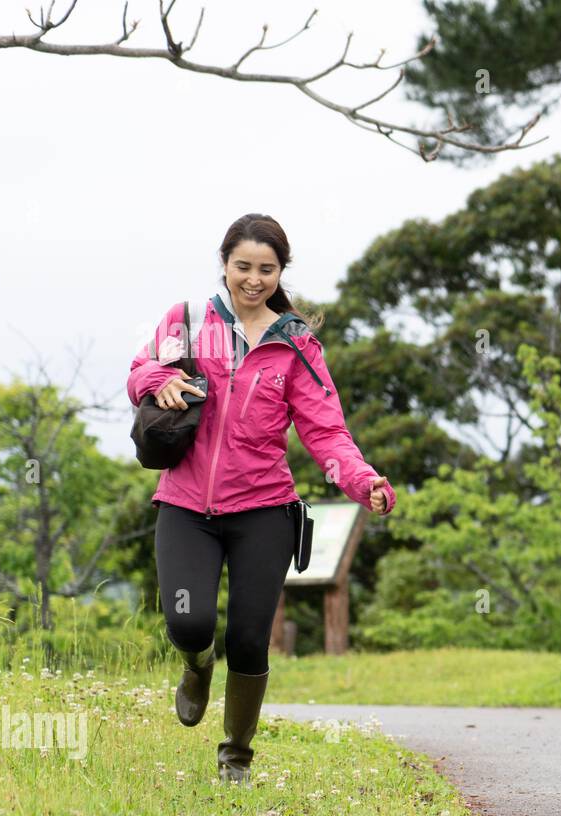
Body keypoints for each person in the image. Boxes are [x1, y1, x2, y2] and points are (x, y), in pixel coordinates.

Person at [126, 213, 396, 783]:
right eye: (243, 266)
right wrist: (158, 381)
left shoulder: (297, 345)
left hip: (264, 510)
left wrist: (362, 479)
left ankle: (236, 756)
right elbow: (140, 368)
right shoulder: (190, 321)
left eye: (266, 269)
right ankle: (196, 667)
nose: (253, 279)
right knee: (189, 621)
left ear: (280, 271)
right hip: (185, 504)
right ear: (224, 264)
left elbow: (326, 432)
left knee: (249, 637)